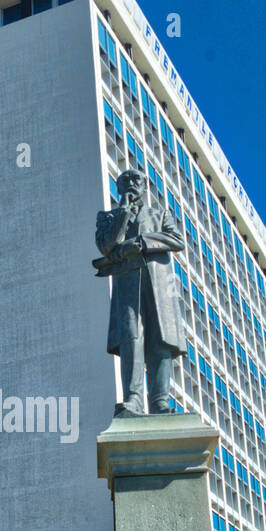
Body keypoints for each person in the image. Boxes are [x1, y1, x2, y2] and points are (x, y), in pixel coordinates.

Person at [94, 168, 188, 415]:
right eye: (125, 180)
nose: (132, 183)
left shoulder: (160, 214)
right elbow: (107, 245)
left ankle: (160, 401)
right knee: (131, 339)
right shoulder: (107, 217)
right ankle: (133, 399)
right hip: (128, 283)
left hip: (158, 283)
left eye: (137, 179)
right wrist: (123, 212)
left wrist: (143, 242)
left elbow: (176, 239)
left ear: (145, 187)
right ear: (119, 187)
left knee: (160, 339)